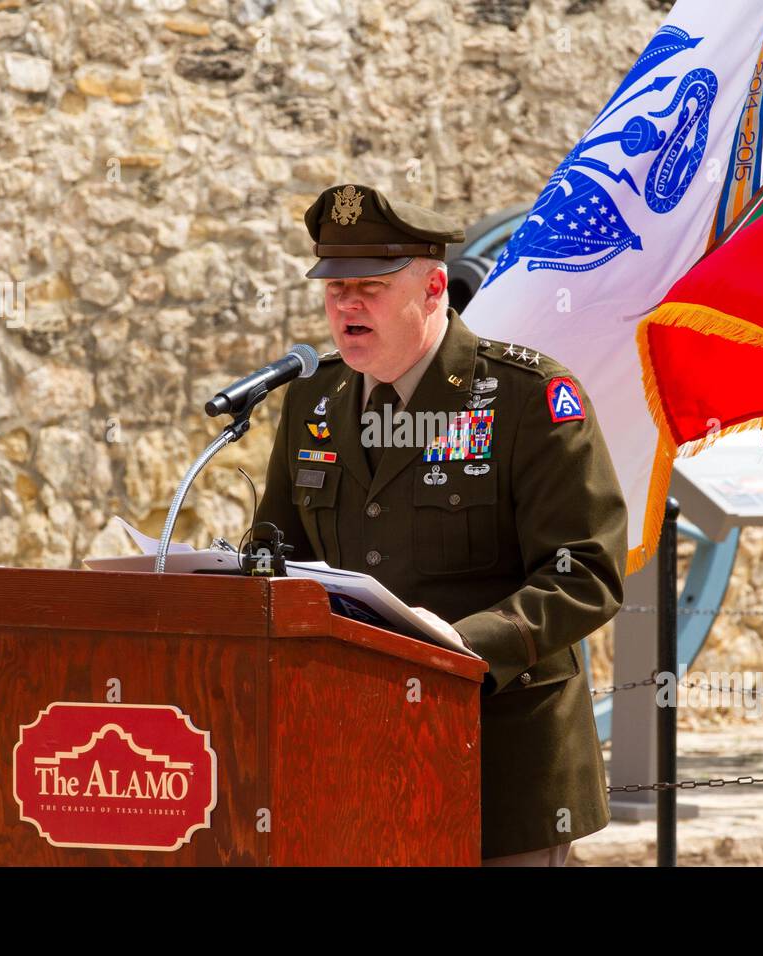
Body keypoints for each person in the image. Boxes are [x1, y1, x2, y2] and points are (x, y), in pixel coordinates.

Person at [252, 182, 629, 865]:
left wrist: (462, 643)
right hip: (353, 759)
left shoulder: (526, 399)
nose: (347, 304)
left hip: (497, 762)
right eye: (334, 289)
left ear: (432, 289)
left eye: (370, 286)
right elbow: (275, 551)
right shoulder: (312, 398)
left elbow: (586, 571)